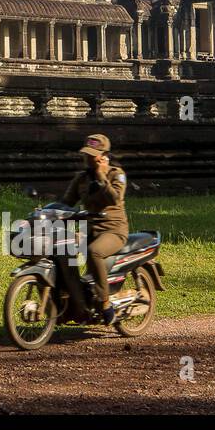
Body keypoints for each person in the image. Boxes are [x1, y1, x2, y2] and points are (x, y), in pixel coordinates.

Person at [62, 133, 129, 325]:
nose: (88, 158)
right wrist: (46, 211)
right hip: (89, 230)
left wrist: (101, 175)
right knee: (63, 252)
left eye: (93, 155)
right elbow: (66, 202)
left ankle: (105, 302)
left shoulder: (117, 174)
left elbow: (115, 198)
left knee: (94, 252)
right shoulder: (81, 178)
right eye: (87, 154)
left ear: (103, 155)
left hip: (113, 230)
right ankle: (77, 304)